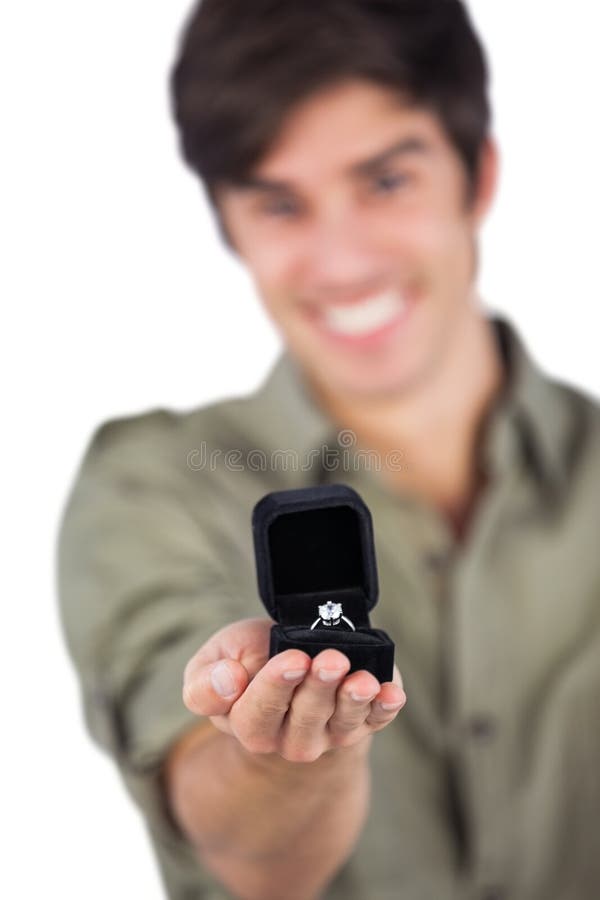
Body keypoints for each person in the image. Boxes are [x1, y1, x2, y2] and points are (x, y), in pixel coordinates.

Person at [56, 1, 600, 899]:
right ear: (229, 228)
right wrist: (286, 759)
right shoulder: (152, 486)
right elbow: (226, 828)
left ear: (479, 176)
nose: (341, 260)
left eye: (387, 182)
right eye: (279, 204)